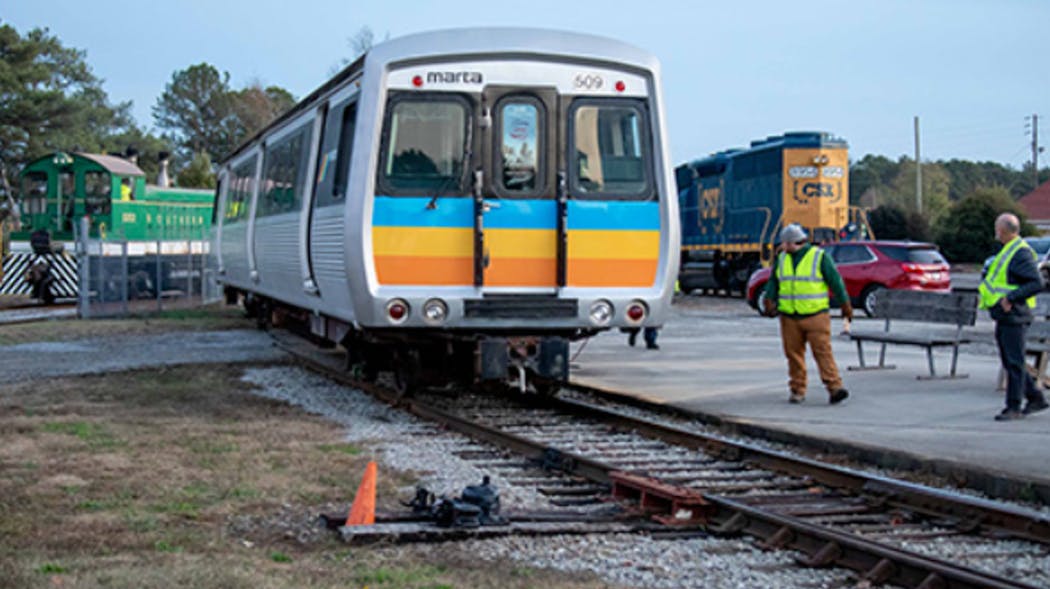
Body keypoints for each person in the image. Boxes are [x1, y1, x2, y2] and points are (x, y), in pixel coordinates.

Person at [763, 223, 852, 404]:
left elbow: (835, 281)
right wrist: (769, 298)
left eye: (785, 244)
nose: (782, 247)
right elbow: (774, 281)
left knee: (822, 352)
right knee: (793, 355)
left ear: (793, 243)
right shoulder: (781, 259)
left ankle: (835, 387)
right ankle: (798, 390)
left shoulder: (819, 257)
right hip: (789, 316)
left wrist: (845, 304)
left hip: (816, 315)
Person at [980, 213, 1049, 421]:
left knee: (1014, 361)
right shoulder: (1009, 250)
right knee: (1011, 360)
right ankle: (1035, 398)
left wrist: (1011, 298)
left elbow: (1036, 283)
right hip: (1006, 315)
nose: (995, 232)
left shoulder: (1020, 253)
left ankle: (1014, 407)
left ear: (1003, 230)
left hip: (1015, 316)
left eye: (997, 228)